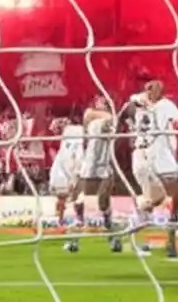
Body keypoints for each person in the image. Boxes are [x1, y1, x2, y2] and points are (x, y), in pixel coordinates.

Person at [126, 80, 178, 258]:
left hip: (141, 156)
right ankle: (171, 240)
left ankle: (137, 223)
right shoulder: (163, 105)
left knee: (155, 198)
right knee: (176, 193)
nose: (152, 90)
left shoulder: (140, 102)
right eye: (149, 87)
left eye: (155, 87)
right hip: (156, 154)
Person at [68, 96, 121, 253]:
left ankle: (112, 235)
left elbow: (111, 121)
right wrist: (106, 113)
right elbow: (89, 116)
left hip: (104, 165)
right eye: (99, 100)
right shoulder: (91, 116)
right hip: (89, 165)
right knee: (78, 199)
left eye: (104, 101)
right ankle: (75, 238)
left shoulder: (110, 121)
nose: (101, 103)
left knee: (103, 202)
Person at [48, 117, 83, 228]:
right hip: (64, 167)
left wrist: (77, 171)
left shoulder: (75, 134)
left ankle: (78, 218)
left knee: (77, 195)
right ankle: (60, 219)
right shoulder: (66, 137)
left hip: (72, 166)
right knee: (62, 196)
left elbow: (78, 155)